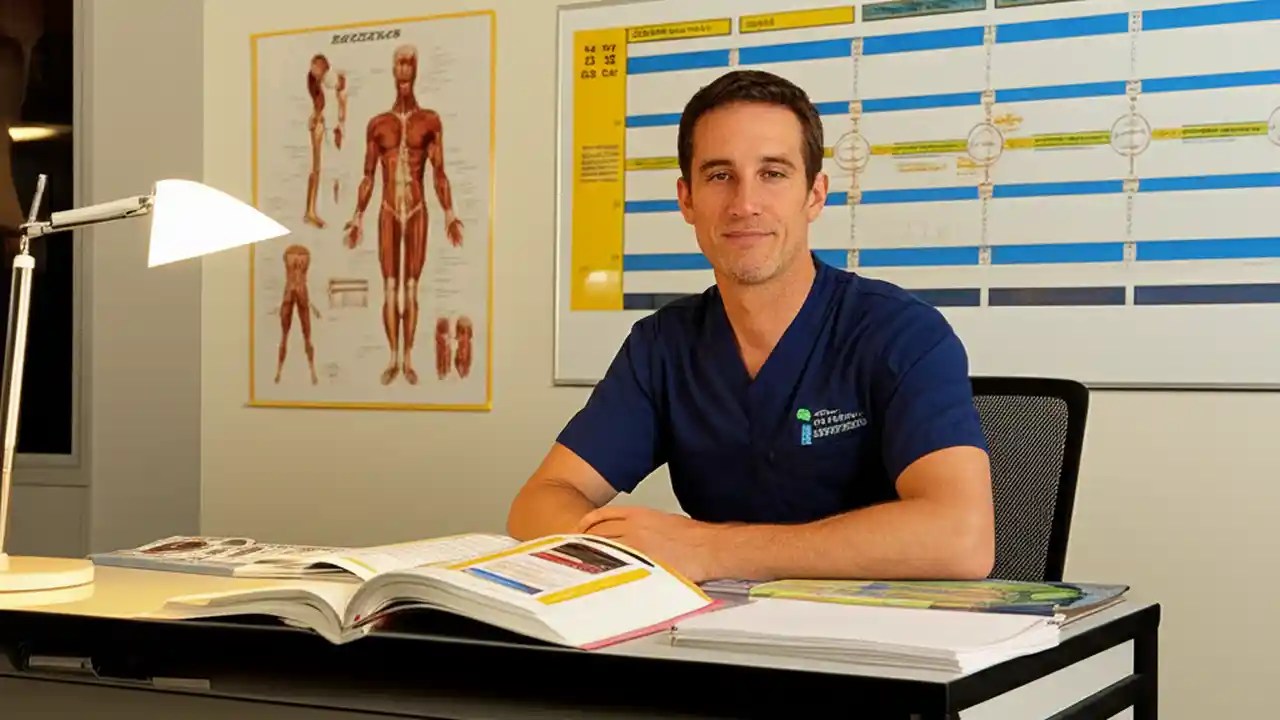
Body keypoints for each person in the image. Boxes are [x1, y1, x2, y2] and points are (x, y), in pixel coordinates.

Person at [506, 70, 995, 584]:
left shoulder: (901, 334)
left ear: (815, 194)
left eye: (774, 173)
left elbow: (961, 538)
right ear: (687, 200)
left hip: (881, 649)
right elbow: (538, 502)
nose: (744, 203)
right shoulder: (664, 346)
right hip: (715, 640)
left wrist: (710, 550)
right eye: (719, 175)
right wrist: (638, 548)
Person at [344, 44, 463, 386]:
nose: (405, 68)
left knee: (410, 289)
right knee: (390, 288)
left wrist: (450, 213)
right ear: (393, 68)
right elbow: (367, 175)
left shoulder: (429, 121)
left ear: (417, 67)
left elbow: (440, 173)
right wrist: (357, 216)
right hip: (386, 210)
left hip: (416, 210)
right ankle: (393, 358)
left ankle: (407, 359)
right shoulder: (378, 124)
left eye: (411, 62)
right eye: (400, 62)